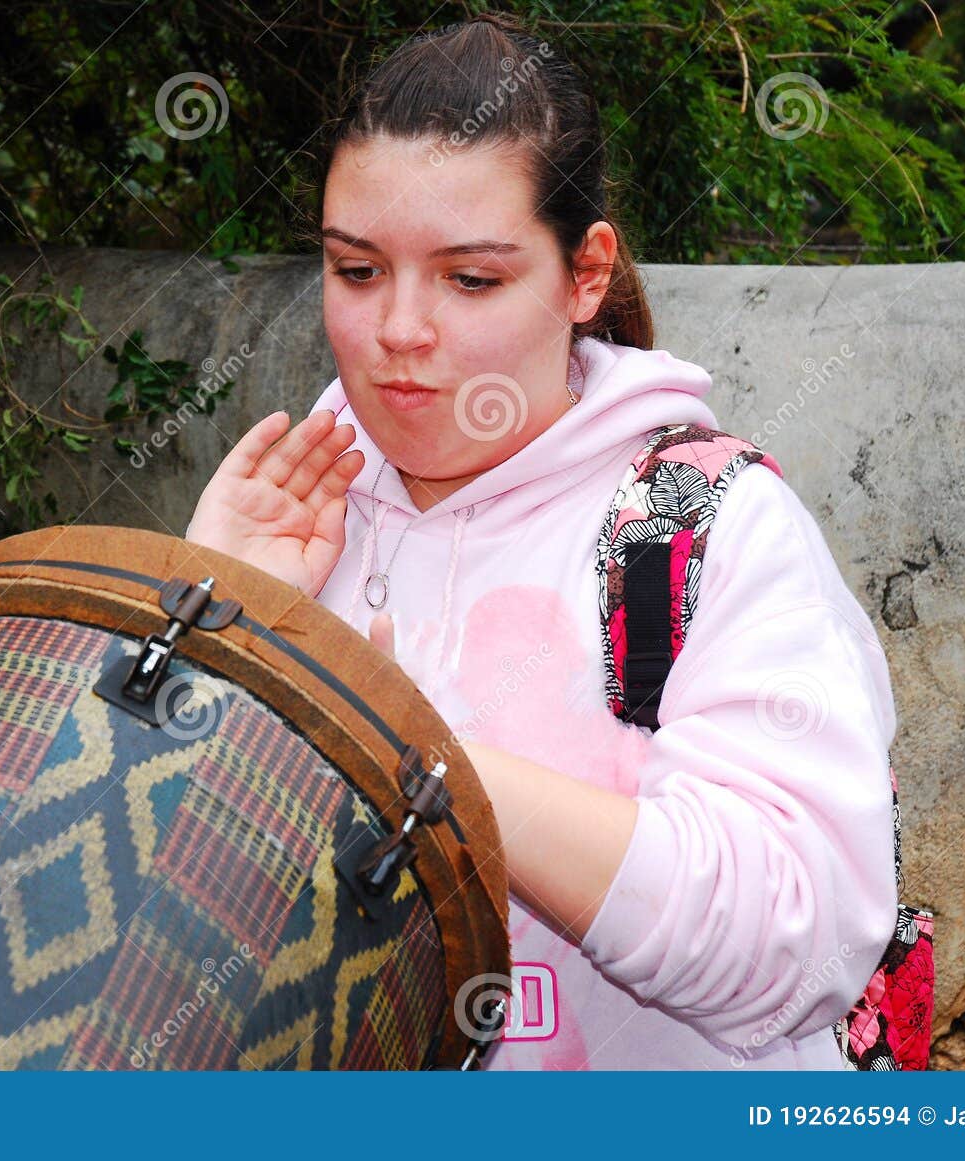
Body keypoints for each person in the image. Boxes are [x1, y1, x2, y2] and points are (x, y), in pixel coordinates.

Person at [184, 13, 897, 1070]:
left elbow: (793, 947)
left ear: (584, 274)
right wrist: (209, 624)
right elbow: (169, 925)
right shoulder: (286, 521)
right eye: (356, 270)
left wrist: (413, 761)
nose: (399, 331)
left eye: (470, 280)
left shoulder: (700, 531)